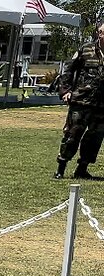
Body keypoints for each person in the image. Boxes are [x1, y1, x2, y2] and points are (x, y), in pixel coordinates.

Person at [55, 22, 104, 179]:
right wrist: (65, 91)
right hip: (81, 101)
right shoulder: (86, 49)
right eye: (103, 32)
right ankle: (60, 169)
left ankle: (82, 169)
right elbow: (68, 70)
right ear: (98, 33)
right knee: (72, 135)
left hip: (101, 105)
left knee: (94, 139)